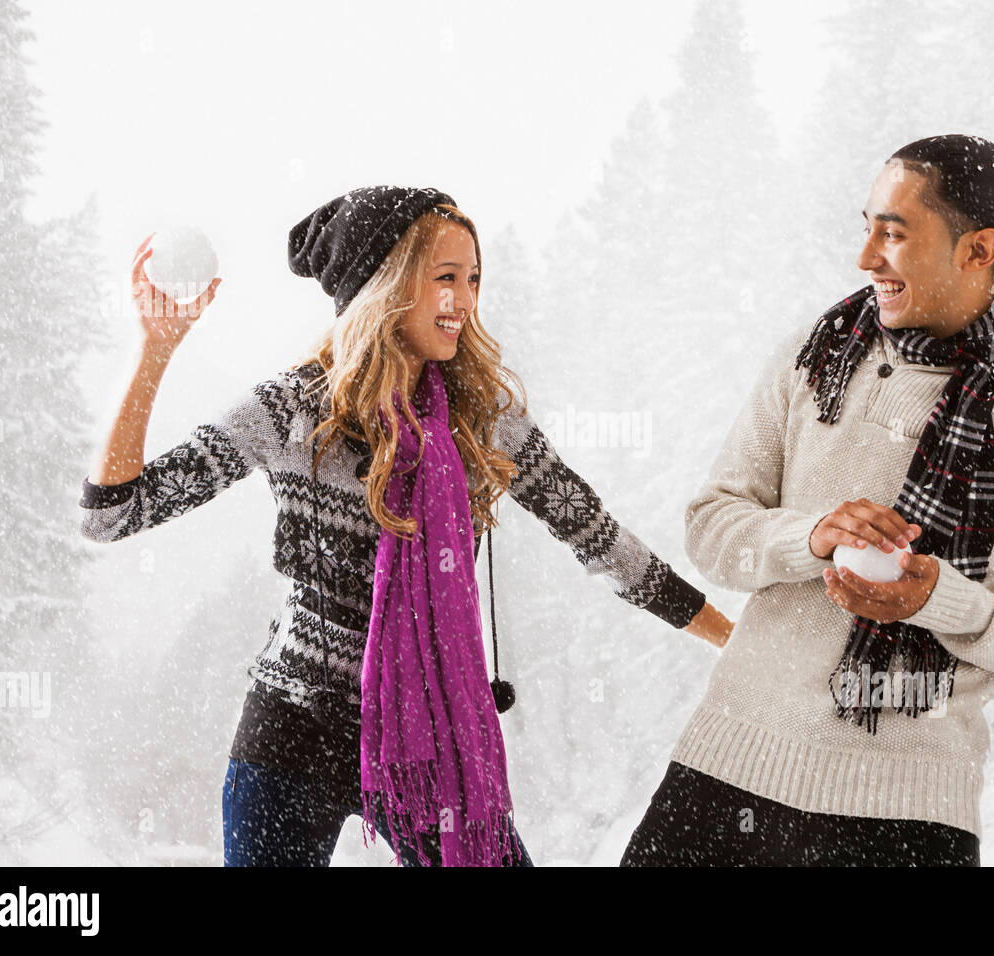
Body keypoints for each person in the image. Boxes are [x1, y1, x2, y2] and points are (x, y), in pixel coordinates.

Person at [79, 185, 734, 867]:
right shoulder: (291, 410)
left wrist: (732, 639)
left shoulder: (483, 420)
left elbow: (599, 540)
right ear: (383, 285)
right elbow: (112, 514)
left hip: (429, 744)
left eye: (473, 279)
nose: (464, 300)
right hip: (292, 735)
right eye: (444, 278)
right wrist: (155, 352)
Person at [621, 135, 994, 867]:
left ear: (978, 249)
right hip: (726, 768)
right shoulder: (819, 354)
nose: (866, 257)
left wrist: (943, 600)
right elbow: (712, 524)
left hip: (906, 818)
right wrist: (811, 537)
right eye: (867, 226)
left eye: (893, 232)